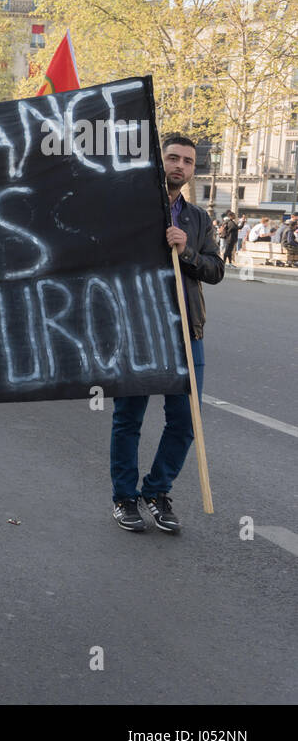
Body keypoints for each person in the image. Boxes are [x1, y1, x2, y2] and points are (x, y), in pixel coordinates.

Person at [110, 134, 224, 533]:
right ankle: (124, 498)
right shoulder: (133, 211)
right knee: (129, 418)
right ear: (159, 162)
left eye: (188, 161)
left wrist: (187, 250)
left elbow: (215, 270)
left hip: (185, 334)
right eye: (172, 158)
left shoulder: (198, 218)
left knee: (184, 420)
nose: (179, 166)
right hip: (139, 329)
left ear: (194, 169)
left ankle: (156, 492)